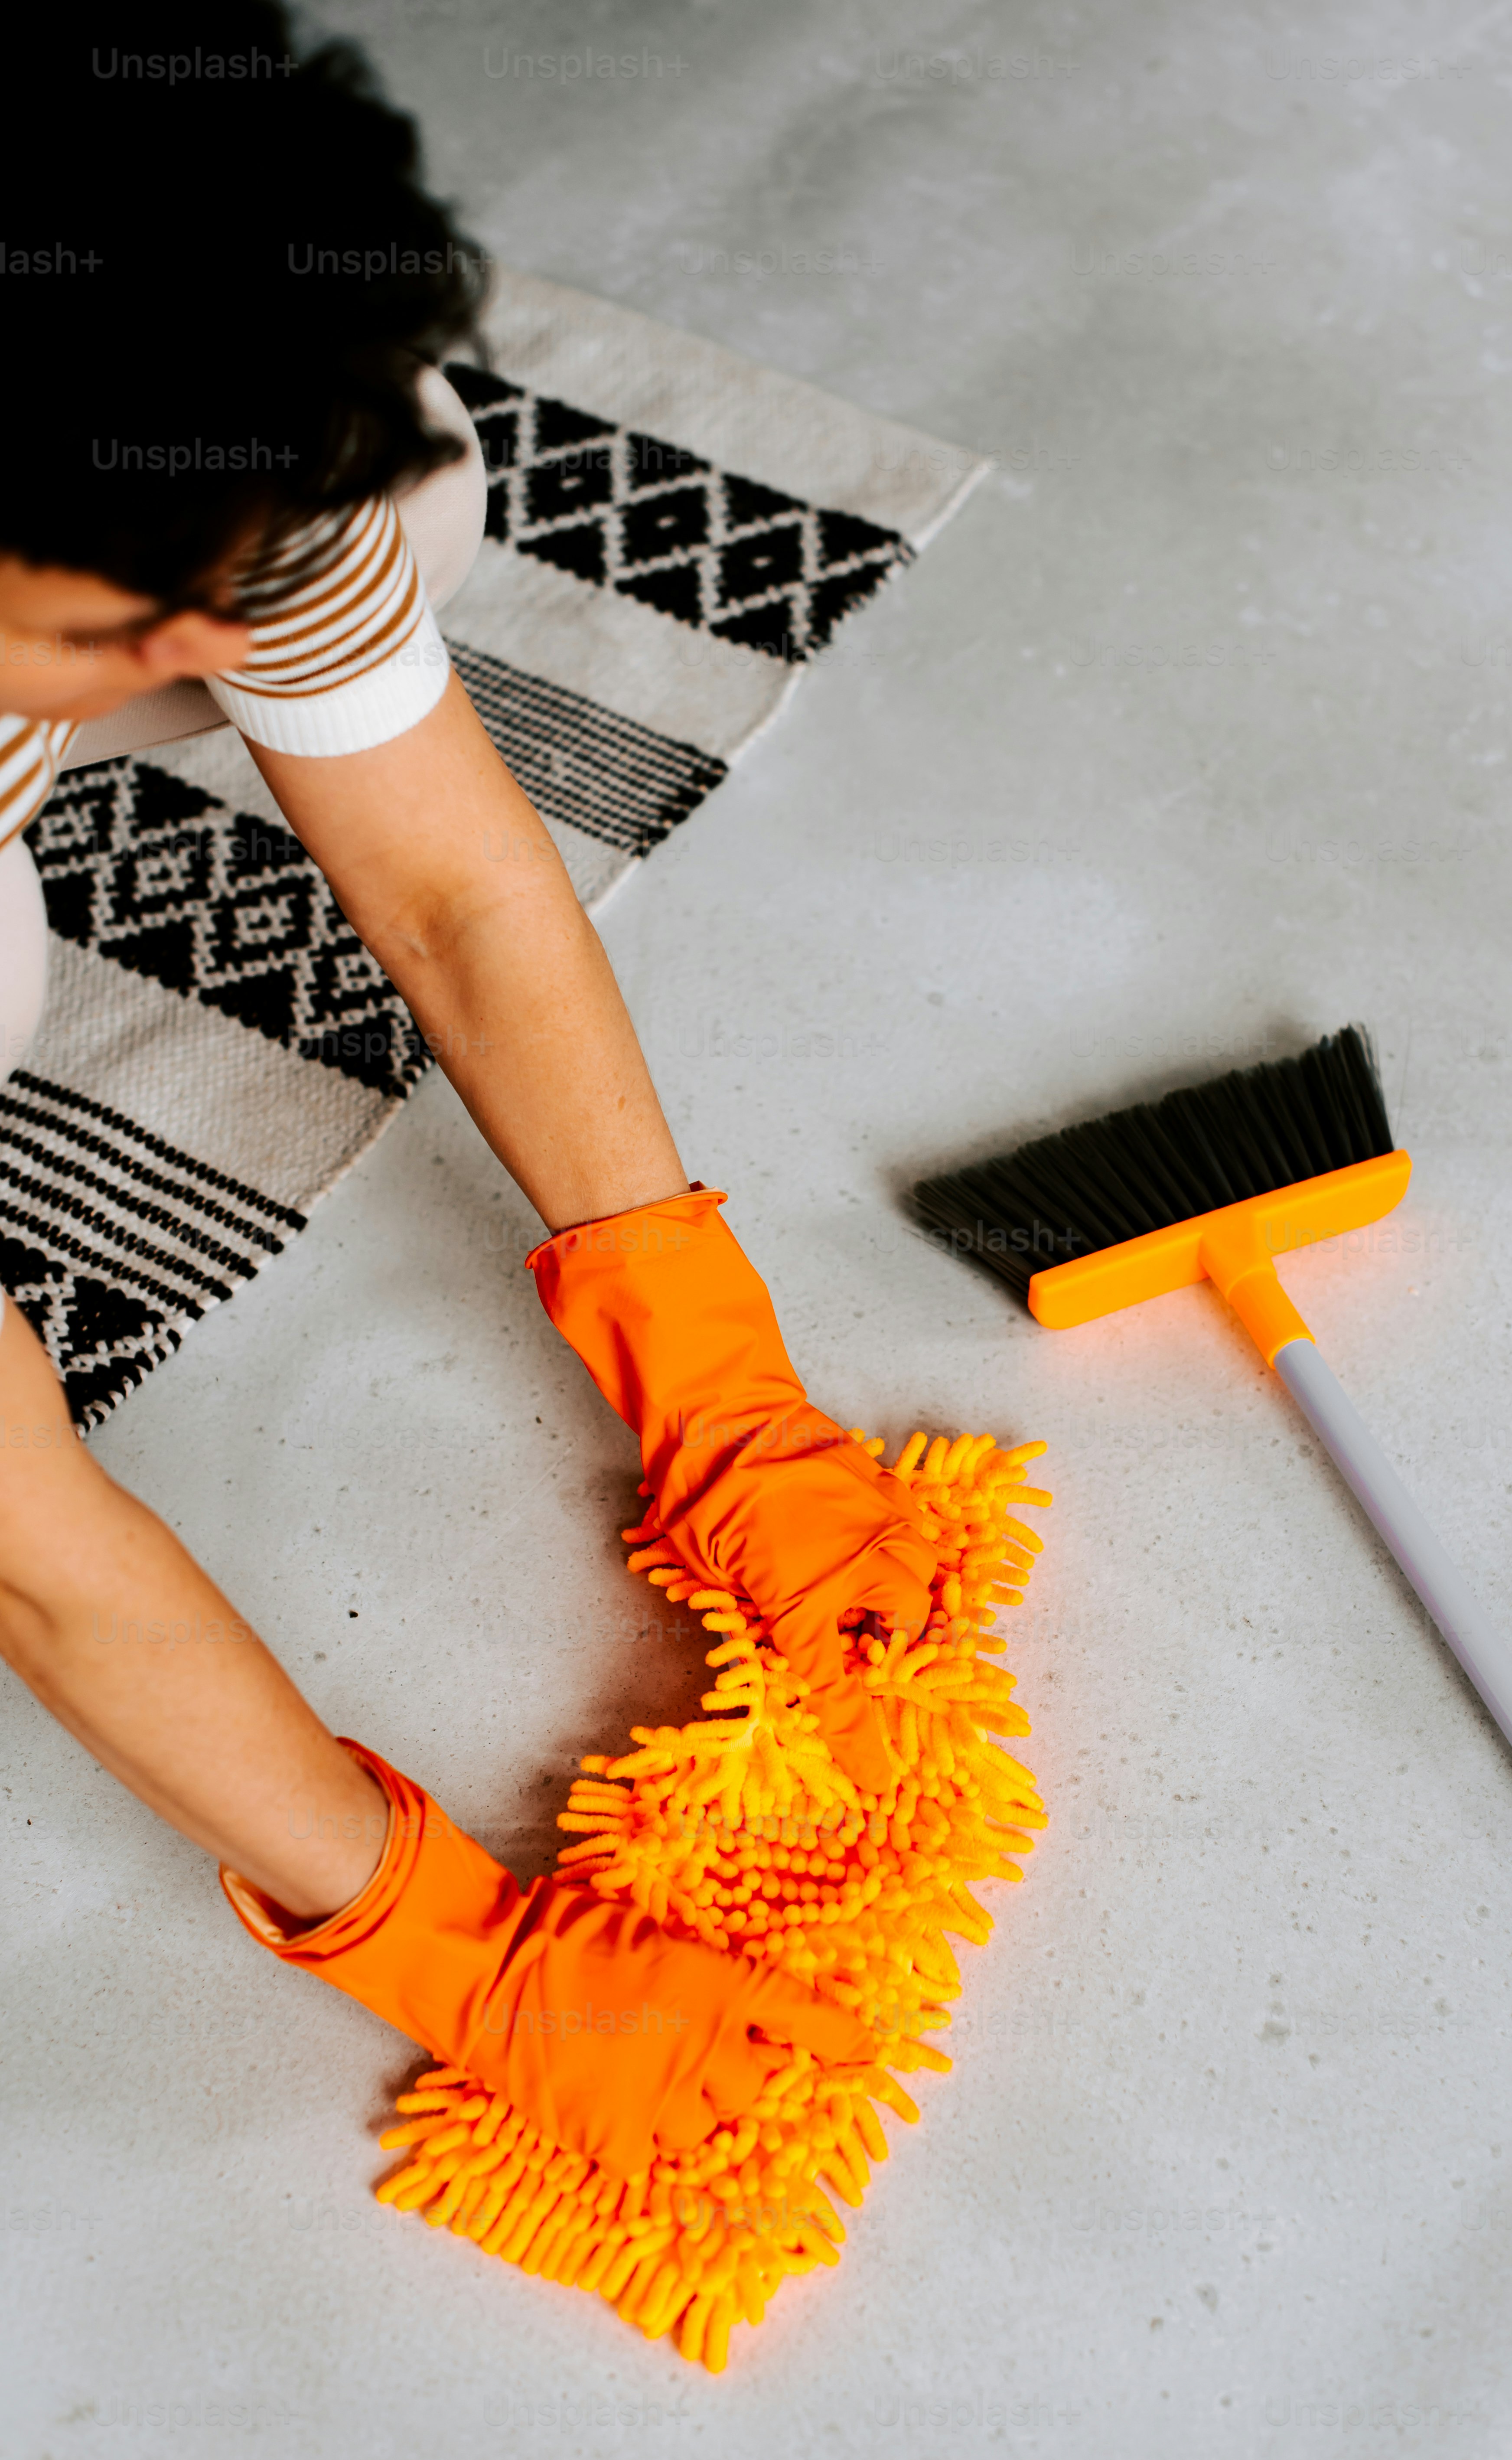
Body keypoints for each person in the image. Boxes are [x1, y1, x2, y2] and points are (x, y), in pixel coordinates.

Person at [0, 4, 933, 2177]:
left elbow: (448, 889)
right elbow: (36, 1554)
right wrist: (445, 1941)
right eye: (127, 629)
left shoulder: (223, 434)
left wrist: (711, 1372)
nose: (198, 654)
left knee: (393, 514)